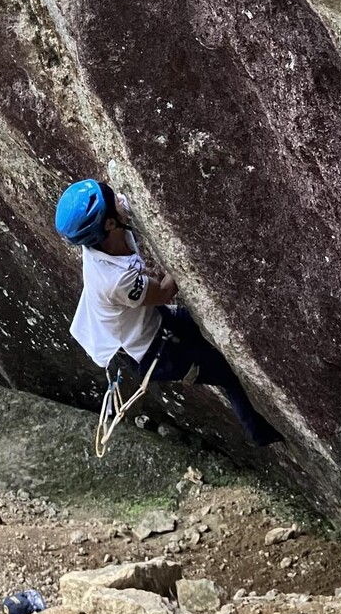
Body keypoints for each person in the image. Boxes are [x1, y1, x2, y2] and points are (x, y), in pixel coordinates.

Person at [54, 179, 283, 447]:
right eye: (113, 199)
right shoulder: (115, 280)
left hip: (157, 323)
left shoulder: (104, 235)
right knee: (223, 371)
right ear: (109, 224)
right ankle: (258, 433)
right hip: (154, 353)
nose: (120, 198)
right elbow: (163, 292)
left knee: (199, 327)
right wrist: (187, 253)